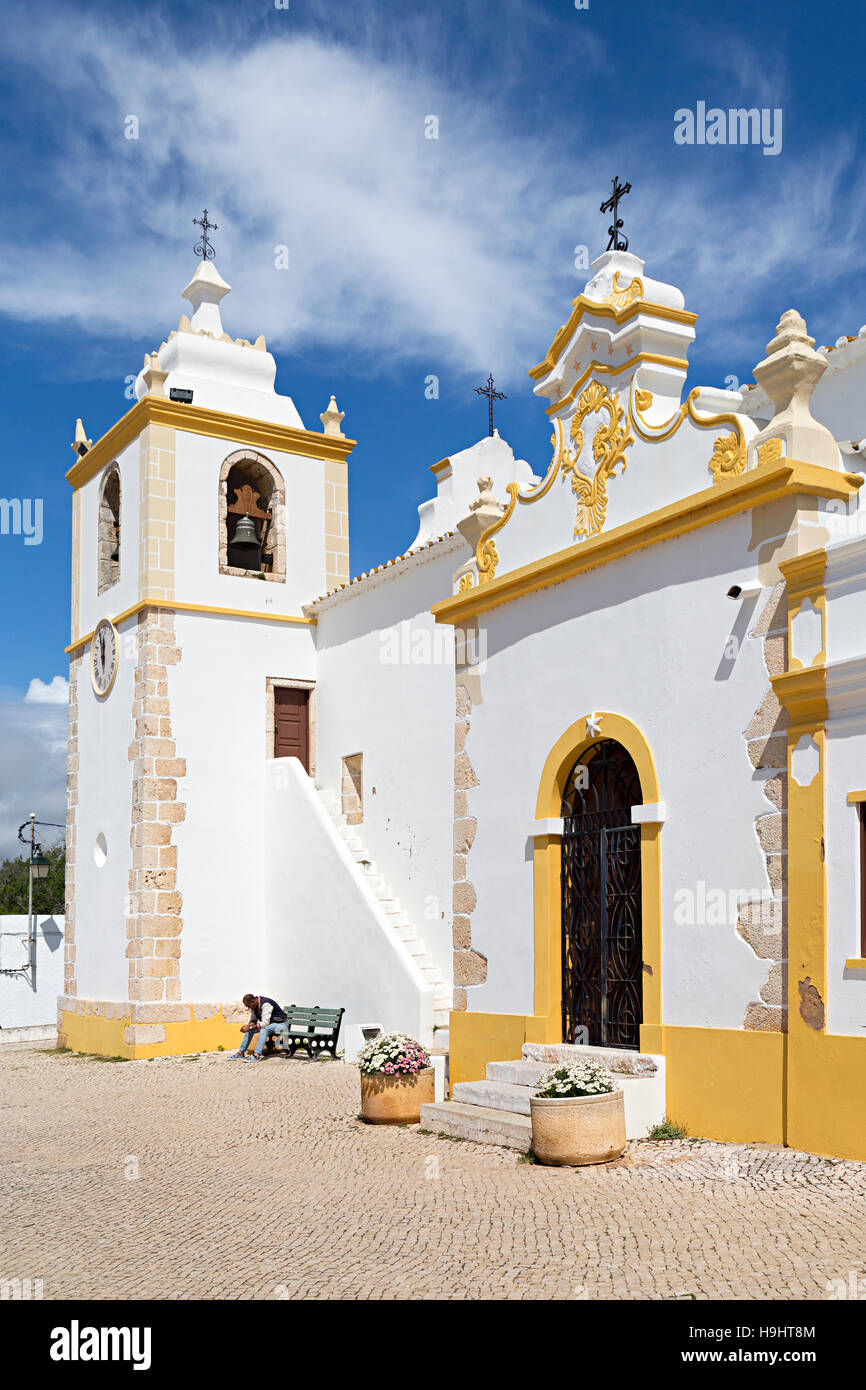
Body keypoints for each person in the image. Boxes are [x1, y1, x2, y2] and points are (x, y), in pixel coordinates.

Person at [231, 992, 288, 1060]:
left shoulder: (266, 1004)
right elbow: (253, 1021)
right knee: (250, 1030)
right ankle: (240, 1053)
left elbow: (265, 1023)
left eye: (249, 1006)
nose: (249, 1008)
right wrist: (247, 1027)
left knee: (264, 1029)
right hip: (271, 1024)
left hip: (282, 1024)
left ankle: (256, 1055)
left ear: (253, 1001)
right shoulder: (254, 1006)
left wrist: (250, 1027)